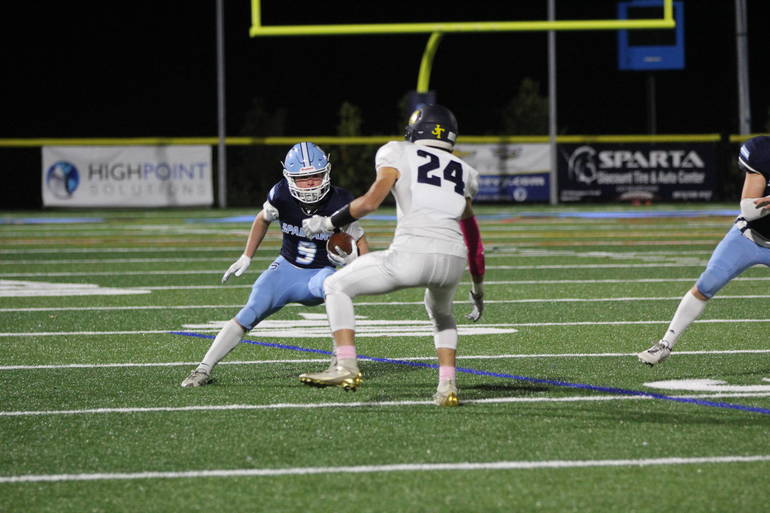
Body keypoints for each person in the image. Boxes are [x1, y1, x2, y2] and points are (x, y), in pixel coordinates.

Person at [299, 104, 485, 406]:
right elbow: (473, 237)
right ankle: (447, 385)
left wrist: (328, 221)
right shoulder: (465, 171)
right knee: (442, 313)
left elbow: (371, 202)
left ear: (414, 130)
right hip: (453, 260)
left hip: (413, 254)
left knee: (335, 286)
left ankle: (345, 365)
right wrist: (477, 289)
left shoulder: (397, 151)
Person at [181, 142, 368, 387]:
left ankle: (341, 361)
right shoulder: (280, 194)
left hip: (319, 274)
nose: (310, 183)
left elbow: (360, 239)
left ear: (327, 173)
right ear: (290, 178)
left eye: (315, 176)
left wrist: (356, 264)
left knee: (335, 289)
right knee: (249, 310)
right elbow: (262, 219)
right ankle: (203, 369)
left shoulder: (340, 200)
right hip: (285, 270)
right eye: (303, 178)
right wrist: (247, 256)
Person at [638, 135, 770, 365]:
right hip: (748, 238)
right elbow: (749, 209)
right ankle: (665, 344)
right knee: (707, 284)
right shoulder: (763, 153)